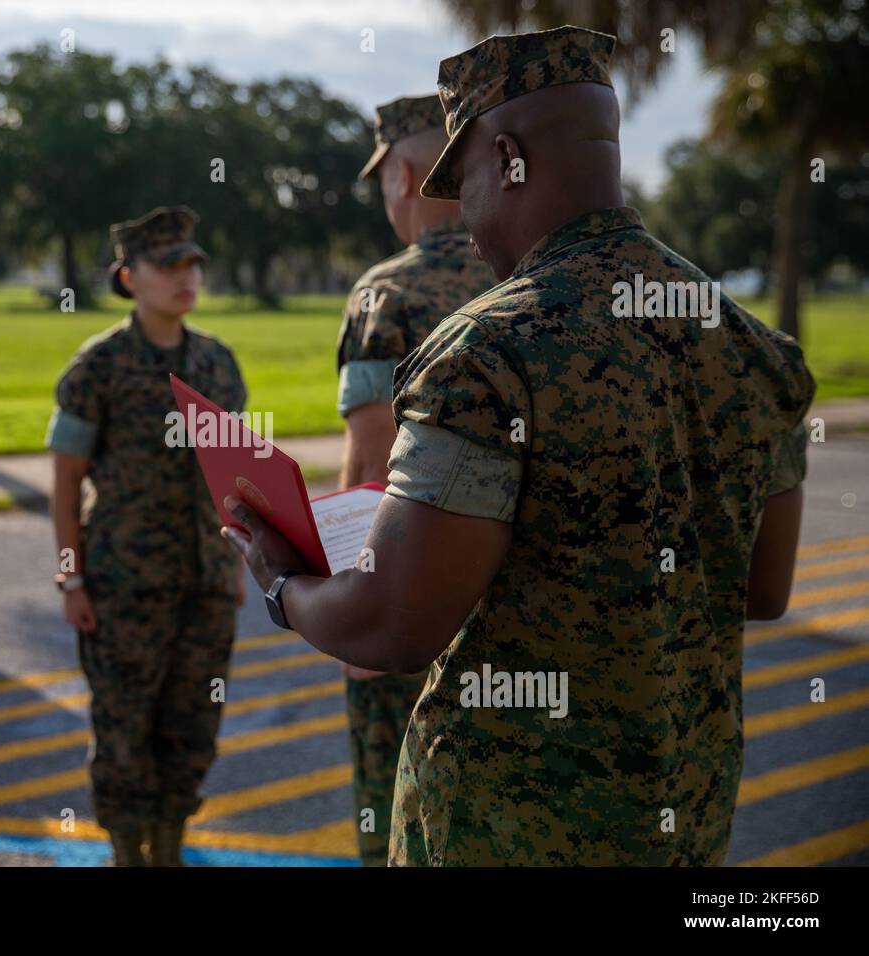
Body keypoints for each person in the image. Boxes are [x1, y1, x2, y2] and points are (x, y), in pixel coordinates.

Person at [221, 26, 815, 866]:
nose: (462, 216)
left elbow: (393, 623)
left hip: (503, 823)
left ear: (505, 158)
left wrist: (283, 585)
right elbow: (764, 588)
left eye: (460, 183)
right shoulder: (756, 347)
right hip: (684, 806)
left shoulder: (488, 349)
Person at [45, 206, 246, 866]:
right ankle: (129, 849)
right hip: (121, 584)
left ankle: (169, 842)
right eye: (169, 266)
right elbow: (67, 483)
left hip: (206, 582)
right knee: (124, 727)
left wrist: (240, 565)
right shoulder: (97, 367)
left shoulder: (217, 363)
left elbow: (236, 476)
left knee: (193, 725)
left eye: (192, 263)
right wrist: (71, 576)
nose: (185, 277)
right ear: (130, 277)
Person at [338, 93, 497, 866]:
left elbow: (372, 459)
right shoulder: (528, 268)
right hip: (514, 606)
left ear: (404, 175)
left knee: (395, 816)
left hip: (410, 594)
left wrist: (356, 605)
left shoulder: (386, 291)